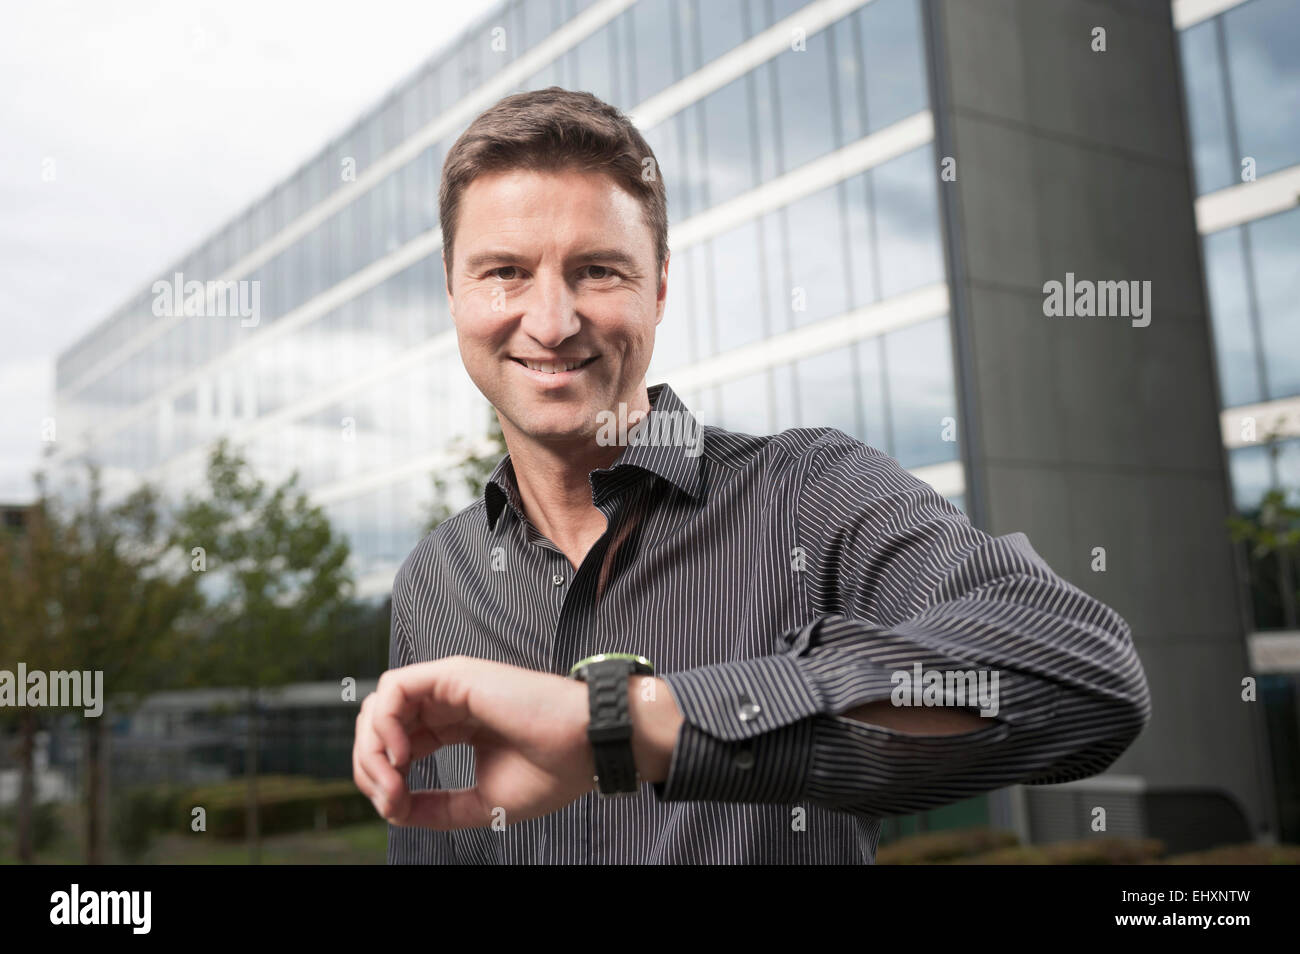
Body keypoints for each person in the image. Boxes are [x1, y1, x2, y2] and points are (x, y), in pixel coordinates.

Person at [352, 87, 1151, 864]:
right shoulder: (434, 582)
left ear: (659, 287)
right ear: (453, 293)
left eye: (599, 271)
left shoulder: (810, 493)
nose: (553, 322)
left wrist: (622, 724)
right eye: (505, 272)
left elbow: (1080, 675)